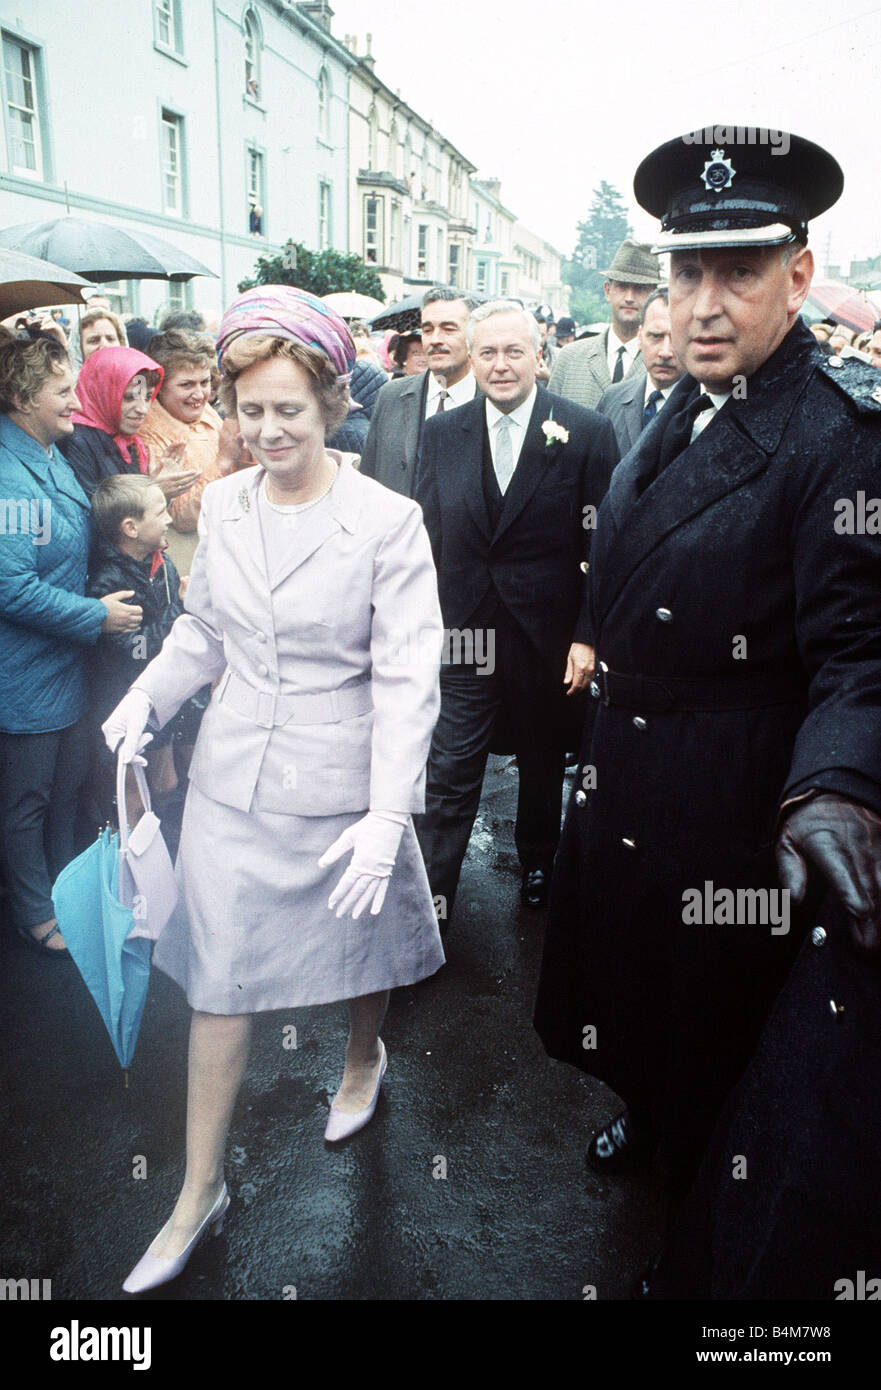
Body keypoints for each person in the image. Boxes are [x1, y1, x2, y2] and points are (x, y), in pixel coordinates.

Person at [534, 127, 881, 1213]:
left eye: (738, 273)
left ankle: (695, 1233)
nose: (703, 303)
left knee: (713, 1034)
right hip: (627, 773)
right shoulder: (676, 403)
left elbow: (861, 651)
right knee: (633, 991)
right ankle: (648, 1107)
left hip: (727, 804)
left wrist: (835, 787)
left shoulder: (838, 439)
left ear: (798, 275)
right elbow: (630, 550)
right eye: (686, 273)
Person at [100, 285, 445, 1293]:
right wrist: (147, 700)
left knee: (361, 944)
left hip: (344, 787)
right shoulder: (224, 504)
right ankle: (197, 1188)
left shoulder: (387, 520)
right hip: (233, 787)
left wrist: (389, 813)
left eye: (287, 408)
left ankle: (359, 1062)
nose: (266, 429)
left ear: (332, 403)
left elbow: (406, 675)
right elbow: (203, 633)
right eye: (249, 409)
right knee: (218, 981)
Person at [414, 300, 619, 920]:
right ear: (470, 359)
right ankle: (433, 895)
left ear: (539, 355)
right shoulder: (442, 433)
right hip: (465, 634)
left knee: (539, 760)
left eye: (513, 352)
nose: (500, 366)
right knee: (450, 766)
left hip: (545, 636)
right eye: (487, 353)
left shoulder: (584, 431)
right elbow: (423, 537)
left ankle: (538, 864)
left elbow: (603, 546)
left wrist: (587, 636)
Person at [0, 334, 143, 957]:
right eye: (62, 392)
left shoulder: (50, 453)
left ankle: (61, 890)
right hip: (25, 668)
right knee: (26, 798)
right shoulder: (12, 475)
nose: (74, 403)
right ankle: (33, 910)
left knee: (62, 787)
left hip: (63, 662)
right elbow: (10, 586)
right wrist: (94, 616)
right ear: (21, 397)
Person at [87, 475, 191, 820]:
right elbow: (136, 649)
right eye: (160, 513)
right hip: (122, 700)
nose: (169, 520)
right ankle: (126, 863)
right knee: (134, 798)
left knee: (166, 784)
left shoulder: (162, 565)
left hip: (159, 695)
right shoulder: (109, 582)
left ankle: (157, 856)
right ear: (131, 527)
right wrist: (183, 612)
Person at [360, 287, 479, 497]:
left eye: (449, 329)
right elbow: (368, 479)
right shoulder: (391, 395)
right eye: (427, 329)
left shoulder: (492, 400)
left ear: (474, 335)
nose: (435, 340)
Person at [139, 329, 233, 575]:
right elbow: (181, 517)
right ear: (159, 387)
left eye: (205, 382)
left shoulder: (207, 413)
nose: (200, 394)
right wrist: (224, 462)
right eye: (186, 385)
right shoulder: (147, 432)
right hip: (187, 567)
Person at [59, 345, 201, 506]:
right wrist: (152, 491)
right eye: (128, 398)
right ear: (101, 392)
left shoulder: (126, 439)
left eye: (148, 397)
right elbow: (93, 515)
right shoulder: (75, 441)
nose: (142, 409)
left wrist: (152, 484)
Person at [549, 240, 660, 408]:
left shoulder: (666, 364)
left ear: (654, 295)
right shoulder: (569, 359)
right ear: (608, 290)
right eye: (622, 286)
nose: (629, 297)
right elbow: (547, 423)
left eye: (640, 288)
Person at [596, 287, 685, 455]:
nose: (665, 352)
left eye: (677, 338)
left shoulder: (706, 407)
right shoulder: (612, 399)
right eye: (656, 336)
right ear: (639, 337)